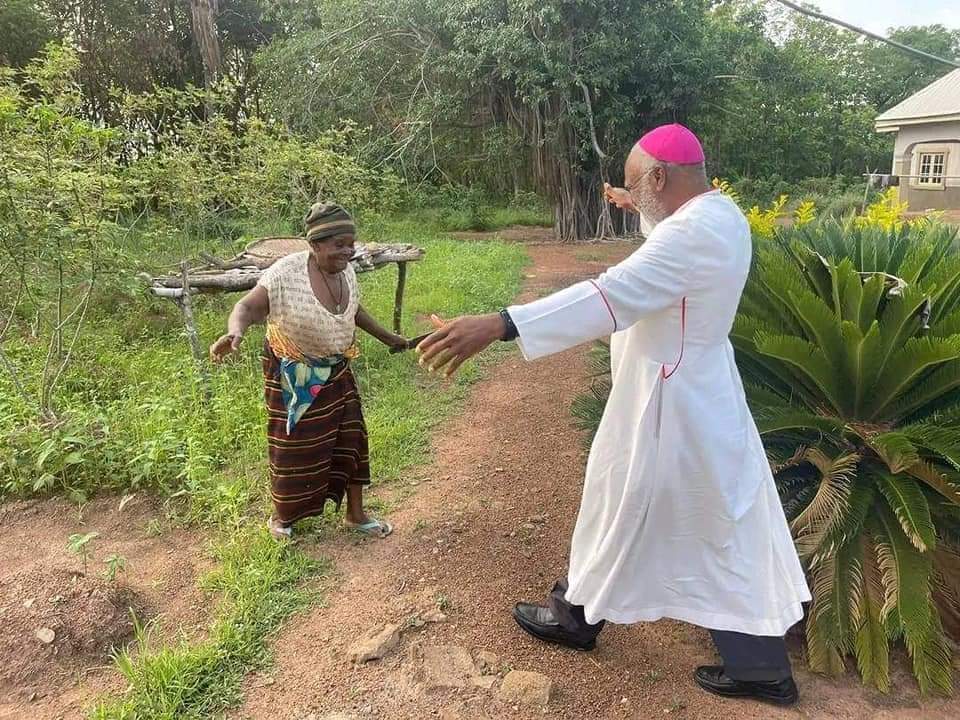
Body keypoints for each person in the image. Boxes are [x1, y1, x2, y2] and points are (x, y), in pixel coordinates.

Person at [417, 124, 811, 706]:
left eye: (635, 184)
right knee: (689, 515)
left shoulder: (688, 236)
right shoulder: (719, 214)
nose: (630, 195)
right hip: (695, 393)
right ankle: (583, 613)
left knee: (670, 513)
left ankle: (743, 665)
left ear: (660, 177)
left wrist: (502, 323)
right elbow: (665, 239)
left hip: (669, 406)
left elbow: (610, 295)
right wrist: (637, 206)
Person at [210, 202, 408, 540]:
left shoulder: (345, 269)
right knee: (293, 446)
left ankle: (356, 514)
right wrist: (236, 331)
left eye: (351, 243)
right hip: (292, 373)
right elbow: (246, 307)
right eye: (338, 244)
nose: (348, 251)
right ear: (315, 245)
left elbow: (354, 311)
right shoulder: (284, 274)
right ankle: (282, 518)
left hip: (337, 369)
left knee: (352, 438)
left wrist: (390, 337)